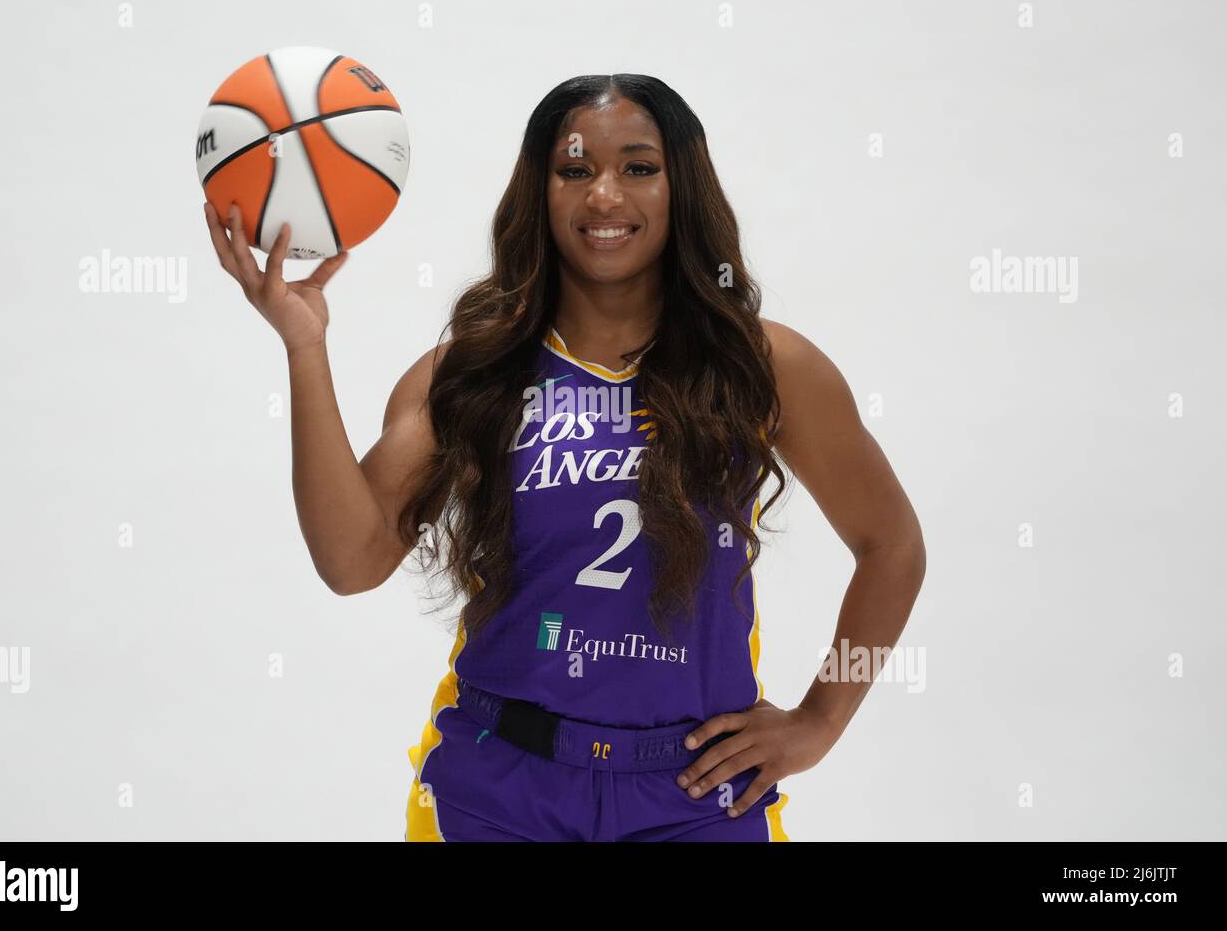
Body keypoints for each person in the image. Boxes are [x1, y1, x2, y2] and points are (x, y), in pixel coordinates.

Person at [202, 74, 926, 842]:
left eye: (639, 168)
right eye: (574, 170)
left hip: (695, 795)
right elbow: (351, 561)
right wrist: (305, 345)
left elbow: (892, 547)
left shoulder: (763, 365)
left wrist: (820, 720)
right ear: (538, 193)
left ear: (685, 188)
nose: (605, 197)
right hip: (498, 787)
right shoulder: (470, 370)